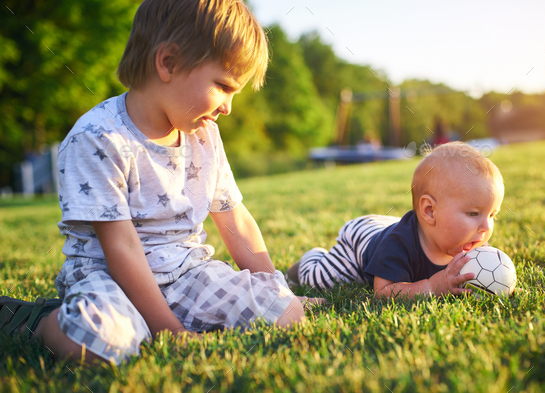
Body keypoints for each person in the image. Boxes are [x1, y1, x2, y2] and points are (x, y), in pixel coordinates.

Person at [0, 0, 315, 364]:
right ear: (168, 62)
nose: (228, 107)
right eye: (223, 86)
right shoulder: (99, 138)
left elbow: (235, 220)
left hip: (187, 274)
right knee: (97, 343)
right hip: (113, 281)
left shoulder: (204, 136)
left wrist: (275, 290)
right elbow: (122, 248)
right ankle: (37, 321)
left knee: (286, 316)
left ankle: (163, 320)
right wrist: (170, 331)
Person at [287, 141, 504, 299]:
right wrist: (430, 287)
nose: (485, 227)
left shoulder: (469, 240)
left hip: (390, 225)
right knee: (323, 280)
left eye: (492, 215)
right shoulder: (398, 245)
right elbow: (383, 292)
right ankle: (308, 261)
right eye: (473, 214)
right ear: (429, 211)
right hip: (361, 243)